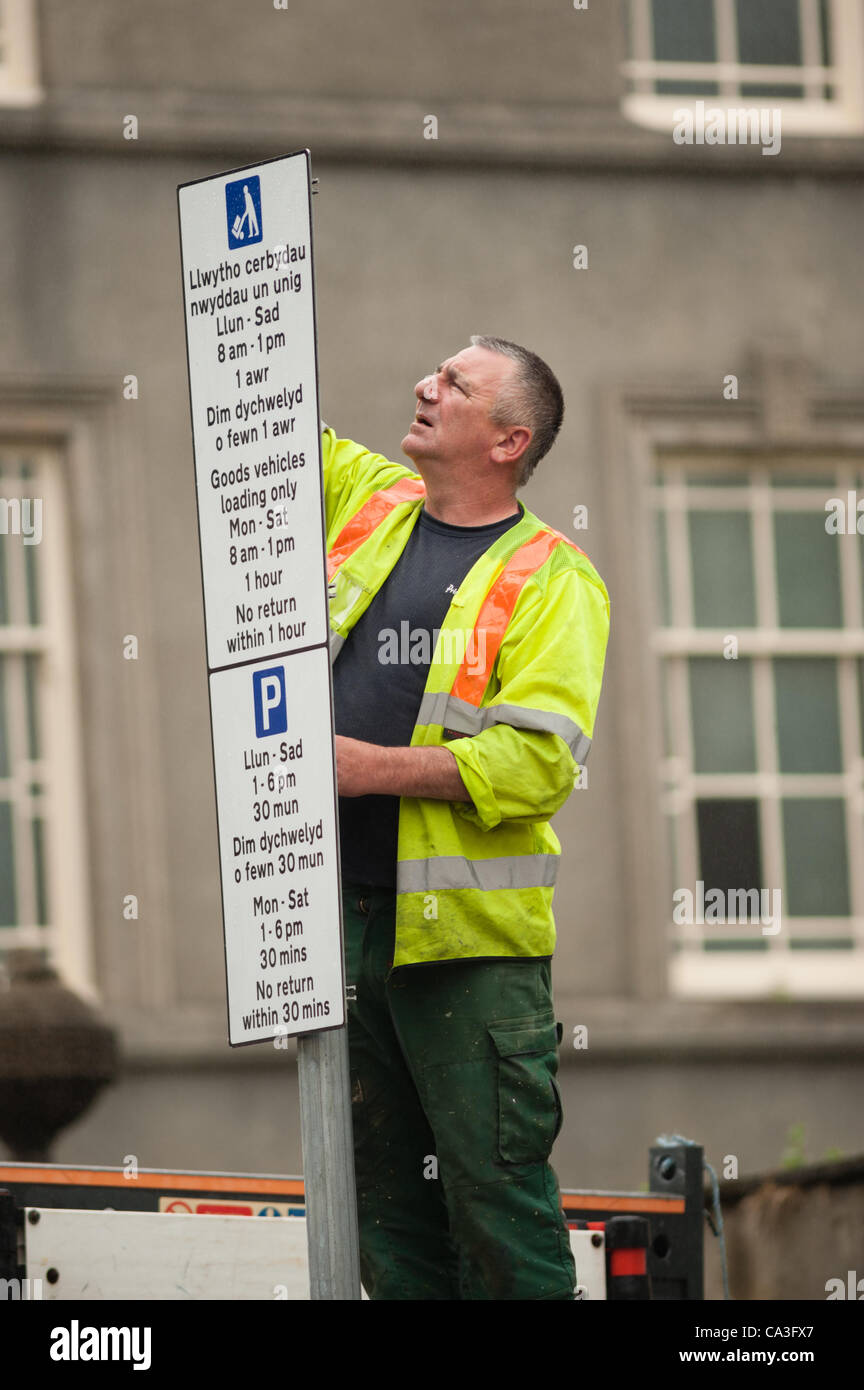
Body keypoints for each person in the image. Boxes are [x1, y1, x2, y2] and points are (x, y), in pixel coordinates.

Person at [323, 335, 610, 1299]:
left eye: (455, 383)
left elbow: (536, 765)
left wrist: (368, 769)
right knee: (386, 1215)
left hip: (470, 952)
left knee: (497, 1208)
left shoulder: (554, 577)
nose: (424, 385)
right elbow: (270, 433)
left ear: (507, 439)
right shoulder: (375, 506)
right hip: (349, 924)